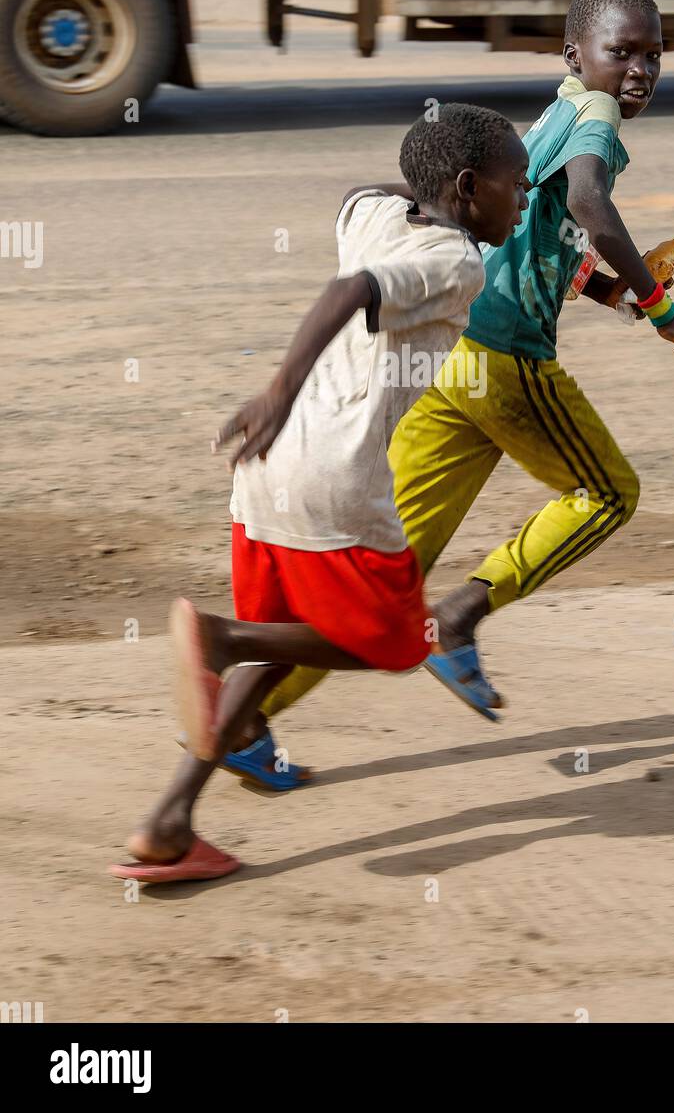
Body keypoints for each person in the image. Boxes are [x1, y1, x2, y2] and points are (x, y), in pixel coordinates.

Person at [233, 0, 674, 783]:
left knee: (380, 576)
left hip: (449, 359)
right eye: (622, 52)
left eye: (653, 56)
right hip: (506, 360)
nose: (639, 71)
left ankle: (243, 720)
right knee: (608, 494)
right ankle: (459, 617)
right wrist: (665, 309)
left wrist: (603, 292)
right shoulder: (594, 118)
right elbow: (593, 207)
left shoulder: (556, 113)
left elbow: (544, 233)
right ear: (576, 54)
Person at [110, 104, 529, 882]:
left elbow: (364, 196)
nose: (527, 198)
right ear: (470, 188)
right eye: (518, 185)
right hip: (334, 477)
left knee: (271, 654)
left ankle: (168, 823)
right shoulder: (458, 263)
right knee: (401, 642)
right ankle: (220, 636)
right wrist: (278, 386)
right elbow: (354, 289)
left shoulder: (376, 213)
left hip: (265, 471)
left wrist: (433, 183)